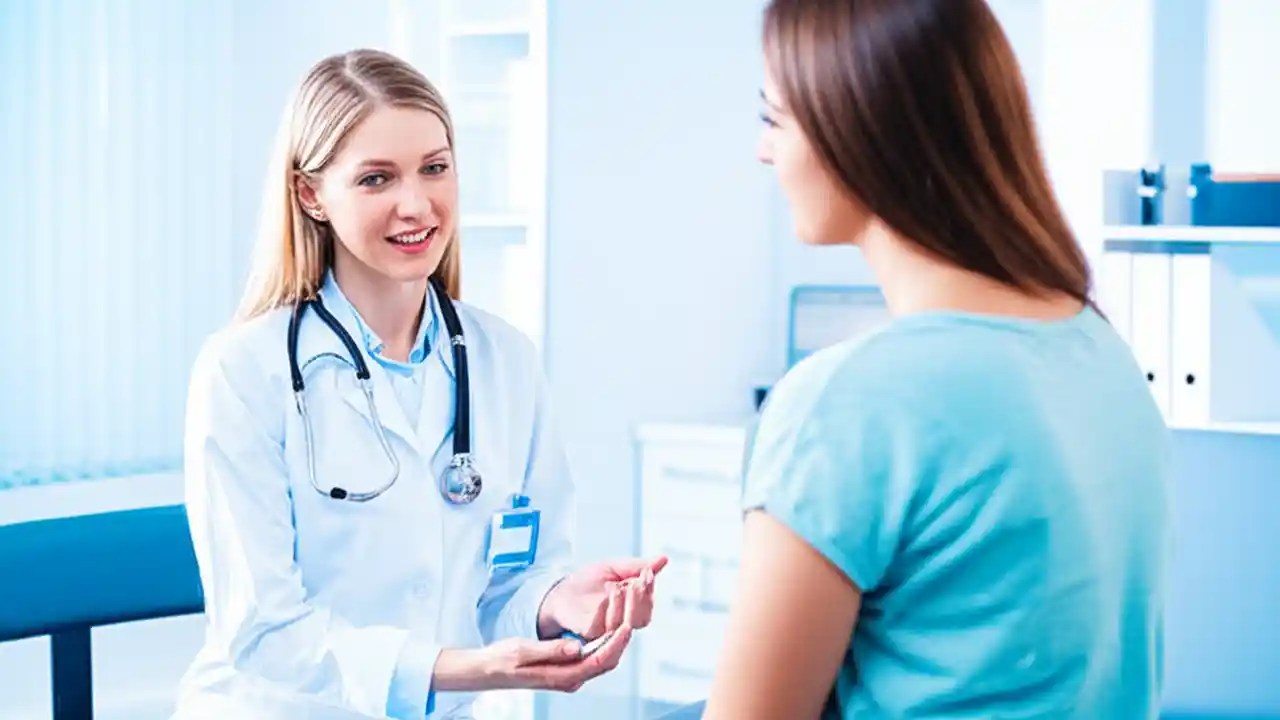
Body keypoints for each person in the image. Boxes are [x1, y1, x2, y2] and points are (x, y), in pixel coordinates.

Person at [703, 0, 1171, 718]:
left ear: (857, 130)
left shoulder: (847, 404)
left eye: (774, 120)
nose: (763, 151)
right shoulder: (1102, 354)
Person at [173, 48, 665, 720]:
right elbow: (262, 633)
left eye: (435, 167)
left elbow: (509, 583)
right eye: (377, 179)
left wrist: (558, 604)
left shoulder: (504, 361)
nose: (416, 204)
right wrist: (458, 668)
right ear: (310, 193)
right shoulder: (243, 372)